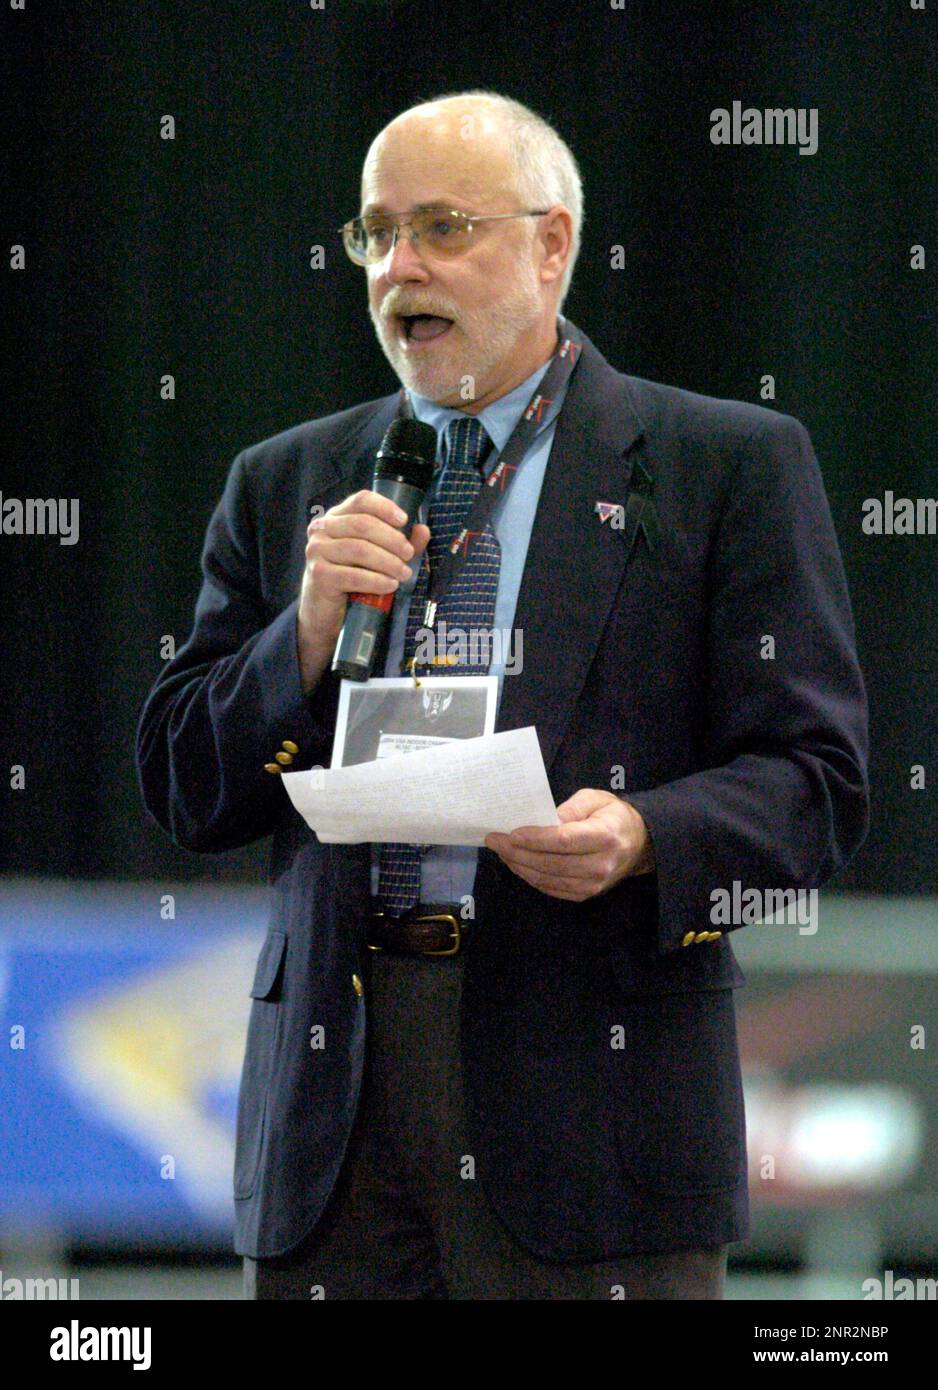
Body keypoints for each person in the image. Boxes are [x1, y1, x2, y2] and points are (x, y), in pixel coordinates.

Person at [135, 90, 870, 1299]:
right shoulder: (286, 482)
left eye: (442, 228)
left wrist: (645, 836)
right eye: (376, 235)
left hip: (594, 1101)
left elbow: (817, 783)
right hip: (335, 1109)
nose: (398, 269)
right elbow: (181, 785)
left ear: (551, 244)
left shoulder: (720, 465)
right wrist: (303, 634)